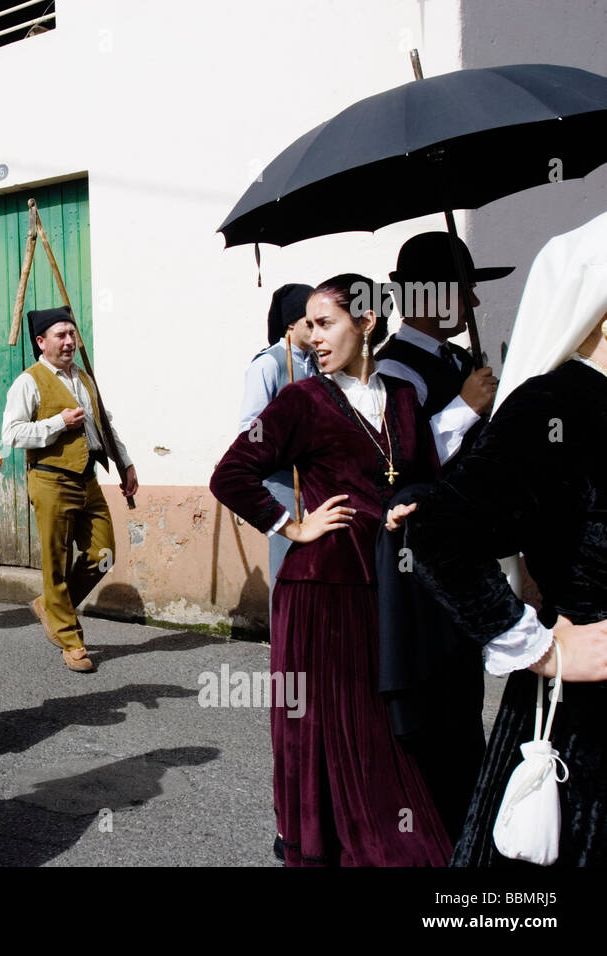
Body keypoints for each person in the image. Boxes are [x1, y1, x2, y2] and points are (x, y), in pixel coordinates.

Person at [209, 274, 478, 866]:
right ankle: (329, 840)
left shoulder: (403, 400)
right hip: (321, 588)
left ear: (367, 323)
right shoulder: (301, 401)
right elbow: (230, 475)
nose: (312, 338)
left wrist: (411, 506)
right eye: (308, 325)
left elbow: (427, 481)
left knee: (385, 719)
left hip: (388, 584)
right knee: (329, 725)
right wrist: (290, 525)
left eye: (325, 323)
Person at [393, 211, 607, 866]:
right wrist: (539, 648)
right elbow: (432, 509)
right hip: (587, 716)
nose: (474, 301)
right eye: (462, 287)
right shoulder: (559, 404)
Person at [2, 306, 137, 673]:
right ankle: (71, 639)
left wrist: (124, 463)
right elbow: (11, 434)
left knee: (104, 553)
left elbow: (104, 426)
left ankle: (50, 606)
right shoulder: (28, 382)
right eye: (60, 335)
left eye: (71, 334)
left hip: (87, 477)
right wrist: (56, 423)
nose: (68, 341)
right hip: (50, 479)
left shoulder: (86, 378)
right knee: (56, 562)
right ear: (41, 342)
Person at [376, 232, 504, 444]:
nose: (475, 302)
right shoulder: (392, 370)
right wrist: (466, 406)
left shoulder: (459, 357)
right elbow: (404, 456)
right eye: (464, 292)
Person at [237, 283, 316, 592]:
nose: (317, 328)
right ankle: (284, 637)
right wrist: (286, 445)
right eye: (310, 321)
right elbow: (249, 428)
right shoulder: (269, 364)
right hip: (284, 480)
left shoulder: (316, 363)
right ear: (291, 324)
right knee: (287, 563)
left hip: (313, 478)